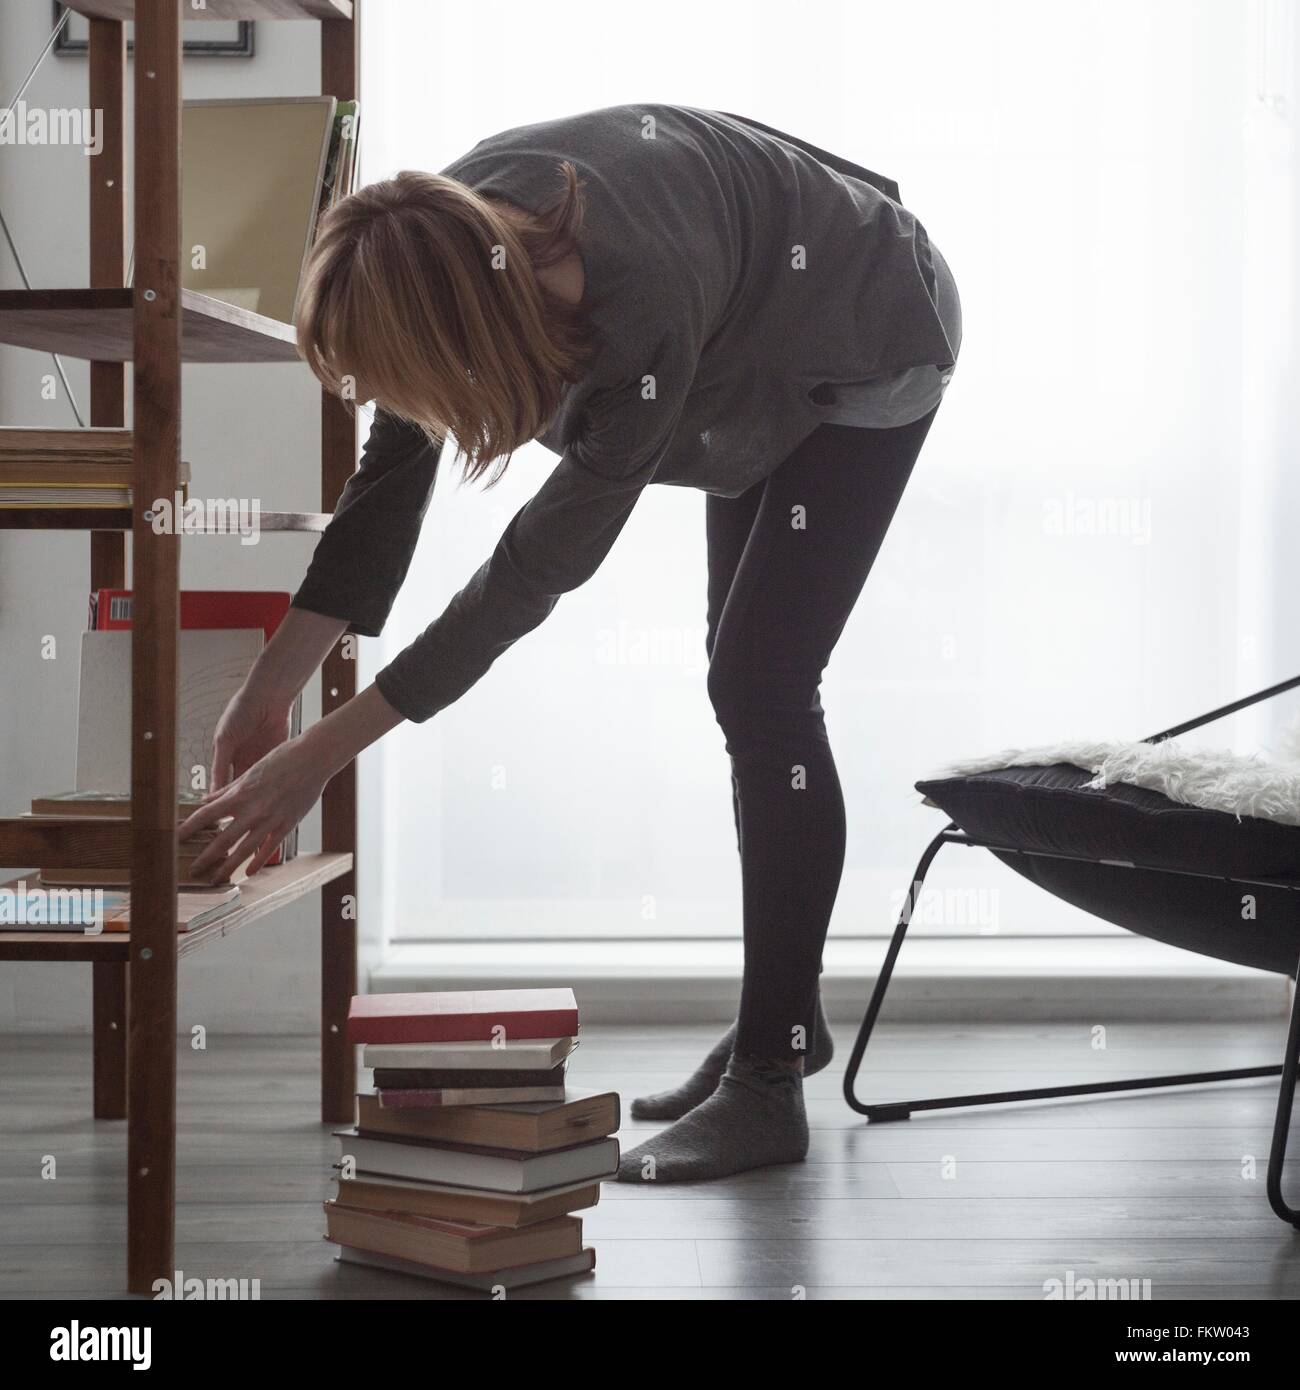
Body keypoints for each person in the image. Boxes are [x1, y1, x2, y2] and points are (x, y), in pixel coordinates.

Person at [180, 103, 962, 1183]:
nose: (416, 409)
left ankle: (769, 1086)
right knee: (746, 684)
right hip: (752, 331)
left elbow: (531, 571)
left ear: (466, 338)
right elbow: (384, 498)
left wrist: (319, 751)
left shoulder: (640, 303)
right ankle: (781, 1024)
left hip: (863, 332)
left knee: (762, 685)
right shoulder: (429, 244)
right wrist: (269, 695)